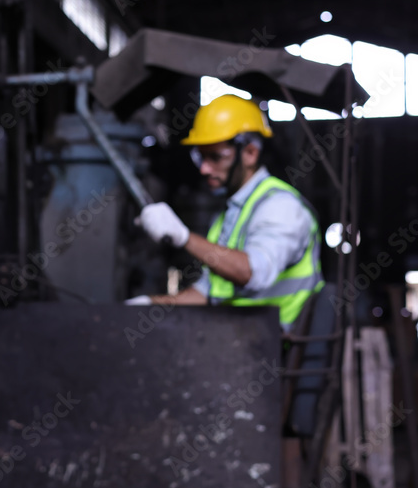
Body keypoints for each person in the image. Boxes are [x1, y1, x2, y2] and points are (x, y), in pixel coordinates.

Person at [126, 94, 324, 328]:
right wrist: (150, 304)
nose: (204, 169)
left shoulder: (281, 208)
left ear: (250, 153)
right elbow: (207, 293)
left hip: (280, 349)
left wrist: (184, 238)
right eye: (200, 156)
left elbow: (254, 273)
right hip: (241, 342)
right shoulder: (230, 213)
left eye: (215, 157)